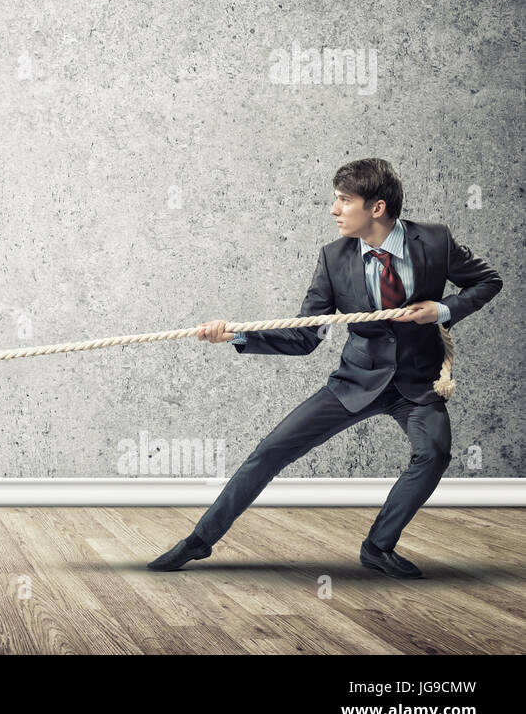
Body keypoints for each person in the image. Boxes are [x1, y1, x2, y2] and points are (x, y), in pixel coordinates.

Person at [148, 158, 502, 578]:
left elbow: (487, 281)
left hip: (417, 385)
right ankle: (199, 541)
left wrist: (442, 309)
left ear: (377, 208)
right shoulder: (334, 258)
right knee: (270, 452)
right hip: (355, 381)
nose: (334, 210)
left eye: (343, 201)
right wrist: (236, 335)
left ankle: (377, 546)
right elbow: (304, 336)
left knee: (435, 453)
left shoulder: (436, 241)